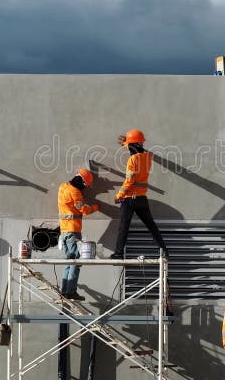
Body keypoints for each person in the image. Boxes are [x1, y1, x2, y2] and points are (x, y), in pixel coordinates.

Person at [109, 129, 170, 259]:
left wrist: (119, 195)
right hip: (142, 198)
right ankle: (164, 250)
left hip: (129, 199)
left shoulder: (132, 160)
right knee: (151, 225)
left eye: (128, 146)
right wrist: (127, 141)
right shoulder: (148, 158)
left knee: (123, 227)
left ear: (132, 146)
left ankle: (119, 253)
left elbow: (129, 180)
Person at [57, 168, 99, 301]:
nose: (85, 188)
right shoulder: (75, 192)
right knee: (76, 261)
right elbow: (84, 210)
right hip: (73, 231)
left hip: (64, 231)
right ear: (81, 181)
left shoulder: (63, 187)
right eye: (85, 185)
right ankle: (71, 292)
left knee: (69, 262)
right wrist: (95, 207)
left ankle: (65, 291)